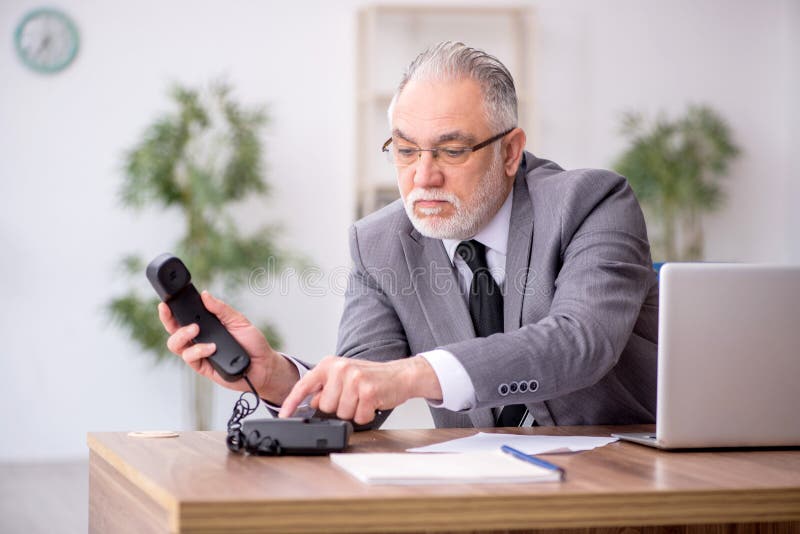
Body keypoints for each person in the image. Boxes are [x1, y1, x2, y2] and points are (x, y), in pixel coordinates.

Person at [159, 41, 659, 430]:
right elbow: (366, 385)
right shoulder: (379, 242)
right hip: (481, 493)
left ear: (510, 152)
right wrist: (270, 374)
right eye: (404, 151)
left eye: (451, 151)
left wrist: (411, 375)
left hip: (627, 479)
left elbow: (581, 341)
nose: (423, 177)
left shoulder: (591, 202)